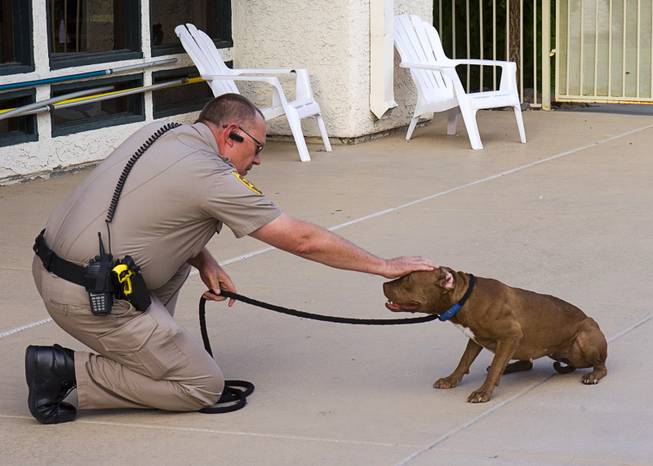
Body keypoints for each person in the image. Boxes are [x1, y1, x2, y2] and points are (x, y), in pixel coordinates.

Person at [26, 93, 435, 424]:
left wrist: (204, 261)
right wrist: (384, 266)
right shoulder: (212, 176)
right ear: (232, 134)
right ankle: (63, 370)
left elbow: (154, 210)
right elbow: (303, 239)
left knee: (179, 270)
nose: (257, 161)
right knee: (200, 386)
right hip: (87, 297)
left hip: (58, 269)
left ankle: (153, 352)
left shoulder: (162, 130)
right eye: (257, 148)